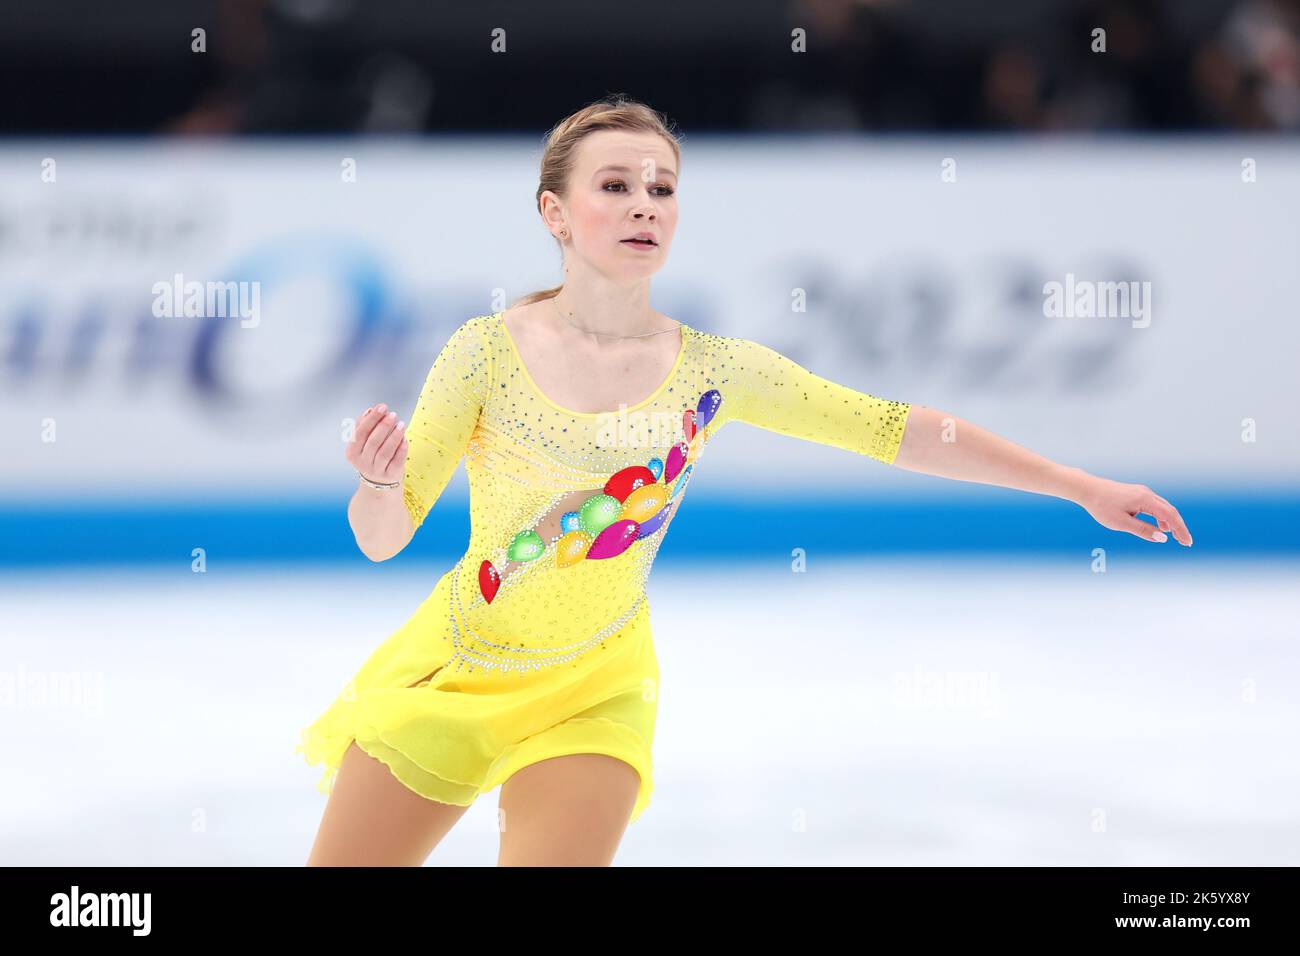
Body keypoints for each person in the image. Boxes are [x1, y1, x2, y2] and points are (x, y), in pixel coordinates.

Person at [297, 94, 1193, 867]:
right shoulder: (484, 352)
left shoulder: (711, 371)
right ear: (556, 213)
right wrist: (379, 486)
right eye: (615, 186)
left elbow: (893, 429)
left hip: (597, 687)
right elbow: (382, 541)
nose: (644, 204)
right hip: (457, 667)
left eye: (661, 188)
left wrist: (1075, 484)